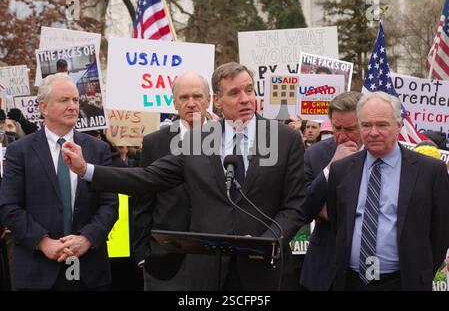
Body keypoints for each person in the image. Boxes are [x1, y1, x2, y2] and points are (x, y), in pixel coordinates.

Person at [62, 62, 309, 290]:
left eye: (249, 90)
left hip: (265, 272)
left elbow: (296, 205)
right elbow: (148, 177)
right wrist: (87, 170)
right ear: (218, 101)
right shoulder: (197, 140)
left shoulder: (284, 139)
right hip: (209, 273)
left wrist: (266, 244)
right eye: (234, 93)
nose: (245, 99)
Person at [0, 73, 118, 290]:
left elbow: (110, 204)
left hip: (89, 271)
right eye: (64, 100)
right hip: (37, 271)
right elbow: (9, 206)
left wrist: (87, 239)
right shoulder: (20, 151)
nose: (73, 106)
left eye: (75, 100)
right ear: (44, 107)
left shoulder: (98, 149)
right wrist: (43, 242)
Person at [327, 91, 449, 291]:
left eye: (382, 124)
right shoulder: (341, 170)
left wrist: (421, 273)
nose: (373, 132)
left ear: (398, 126)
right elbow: (338, 224)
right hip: (351, 281)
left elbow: (441, 232)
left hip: (403, 282)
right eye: (366, 125)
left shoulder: (431, 171)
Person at [134, 72, 210, 291]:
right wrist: (142, 255)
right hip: (163, 261)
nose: (191, 103)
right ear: (174, 103)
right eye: (184, 98)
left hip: (214, 259)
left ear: (209, 100)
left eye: (197, 96)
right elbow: (143, 201)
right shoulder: (154, 142)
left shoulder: (227, 139)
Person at [300, 91, 363, 291]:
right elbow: (304, 208)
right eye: (337, 128)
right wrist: (330, 167)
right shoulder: (315, 154)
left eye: (350, 128)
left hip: (369, 268)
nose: (342, 136)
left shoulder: (378, 153)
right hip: (325, 268)